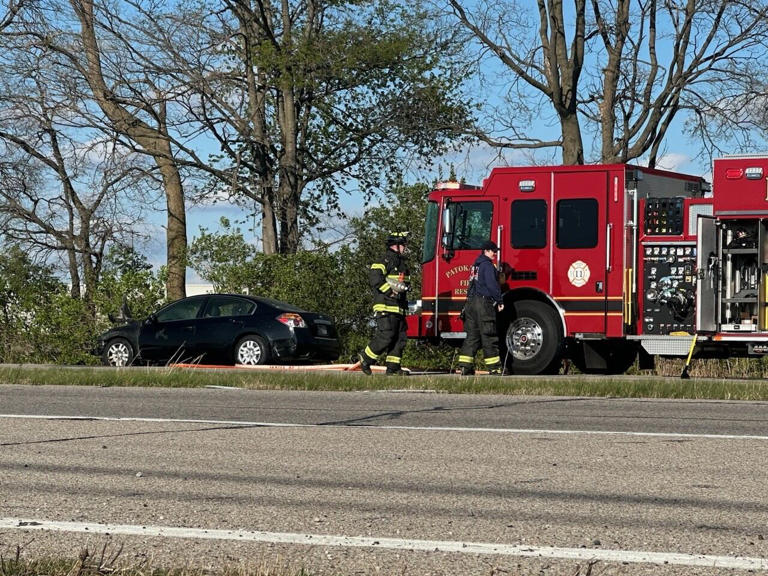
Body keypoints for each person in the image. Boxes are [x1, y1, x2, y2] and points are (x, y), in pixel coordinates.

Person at [359, 231, 411, 376]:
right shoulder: (385, 260)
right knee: (387, 335)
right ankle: (366, 357)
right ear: (396, 245)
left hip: (398, 307)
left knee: (399, 338)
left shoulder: (401, 263)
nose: (405, 247)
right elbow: (375, 278)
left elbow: (402, 284)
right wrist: (389, 292)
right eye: (404, 244)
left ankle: (393, 367)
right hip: (385, 305)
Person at [458, 240, 505, 376]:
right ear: (486, 251)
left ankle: (465, 367)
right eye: (493, 251)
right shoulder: (487, 266)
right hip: (483, 304)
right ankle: (494, 368)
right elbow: (491, 285)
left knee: (472, 336)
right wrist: (499, 300)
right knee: (488, 334)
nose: (495, 253)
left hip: (470, 304)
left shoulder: (475, 265)